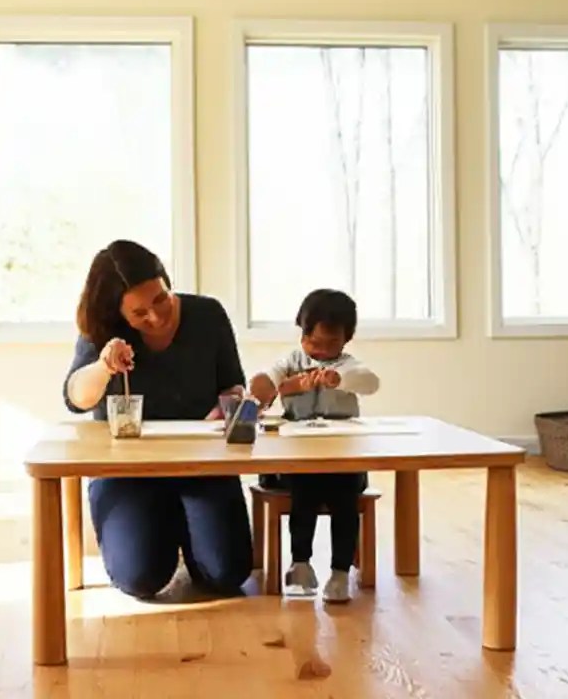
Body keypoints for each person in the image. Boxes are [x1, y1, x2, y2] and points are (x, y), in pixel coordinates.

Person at [63, 240, 253, 599]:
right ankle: (161, 521)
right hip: (127, 471)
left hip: (201, 463)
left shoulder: (207, 315)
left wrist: (227, 406)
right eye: (139, 313)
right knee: (140, 578)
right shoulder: (103, 330)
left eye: (160, 299)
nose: (156, 315)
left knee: (227, 573)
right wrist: (104, 365)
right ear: (119, 314)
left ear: (167, 281)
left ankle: (184, 522)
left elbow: (233, 384)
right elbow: (75, 397)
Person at [249, 289, 380, 603]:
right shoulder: (291, 361)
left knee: (345, 502)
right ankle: (301, 564)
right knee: (303, 496)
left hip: (342, 459)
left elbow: (369, 382)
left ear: (346, 339)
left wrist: (338, 380)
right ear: (302, 333)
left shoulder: (347, 364)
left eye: (331, 344)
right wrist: (284, 385)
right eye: (313, 342)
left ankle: (340, 573)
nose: (321, 351)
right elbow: (266, 382)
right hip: (301, 459)